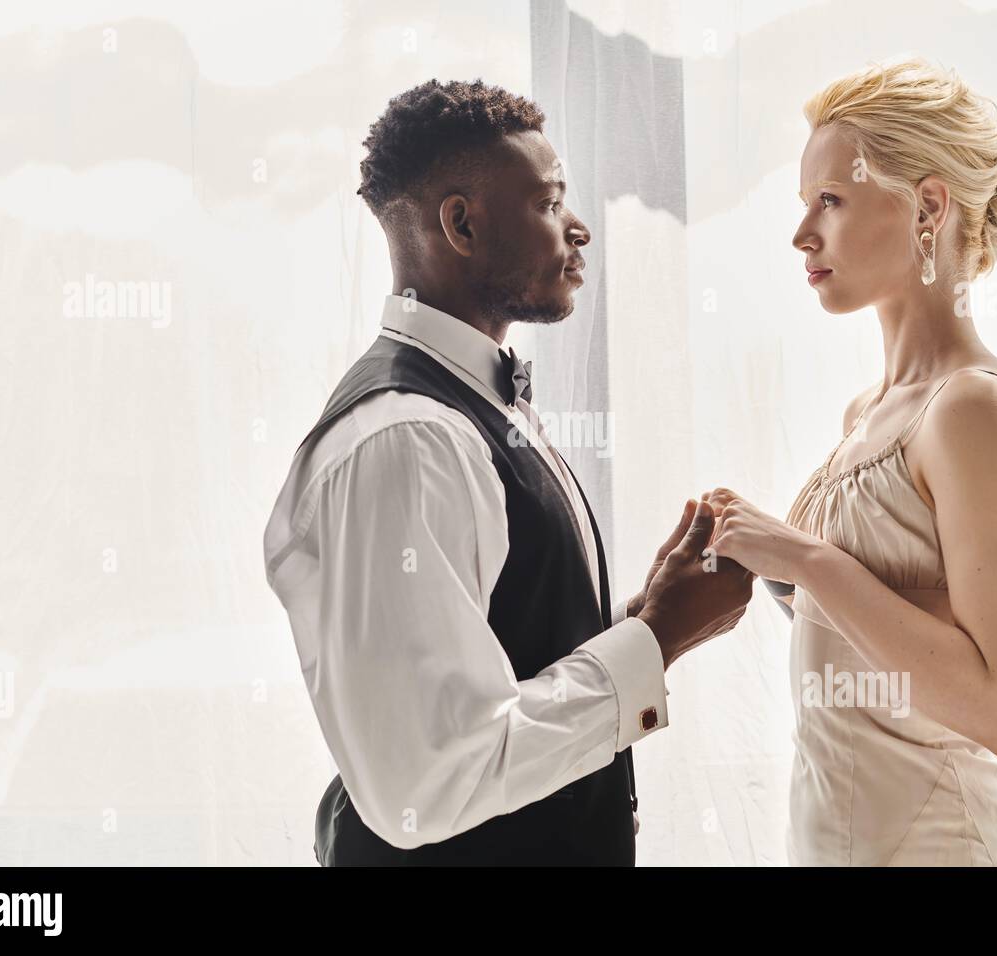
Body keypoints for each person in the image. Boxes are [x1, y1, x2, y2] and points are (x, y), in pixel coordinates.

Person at [262, 78, 754, 865]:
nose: (579, 227)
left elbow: (497, 666)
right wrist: (656, 639)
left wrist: (644, 617)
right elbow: (426, 782)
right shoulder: (407, 441)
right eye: (551, 202)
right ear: (460, 223)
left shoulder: (464, 405)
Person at [705, 57, 997, 866]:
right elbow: (894, 652)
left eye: (830, 200)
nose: (802, 234)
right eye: (805, 204)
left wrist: (806, 560)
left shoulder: (973, 407)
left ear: (929, 206)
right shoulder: (864, 417)